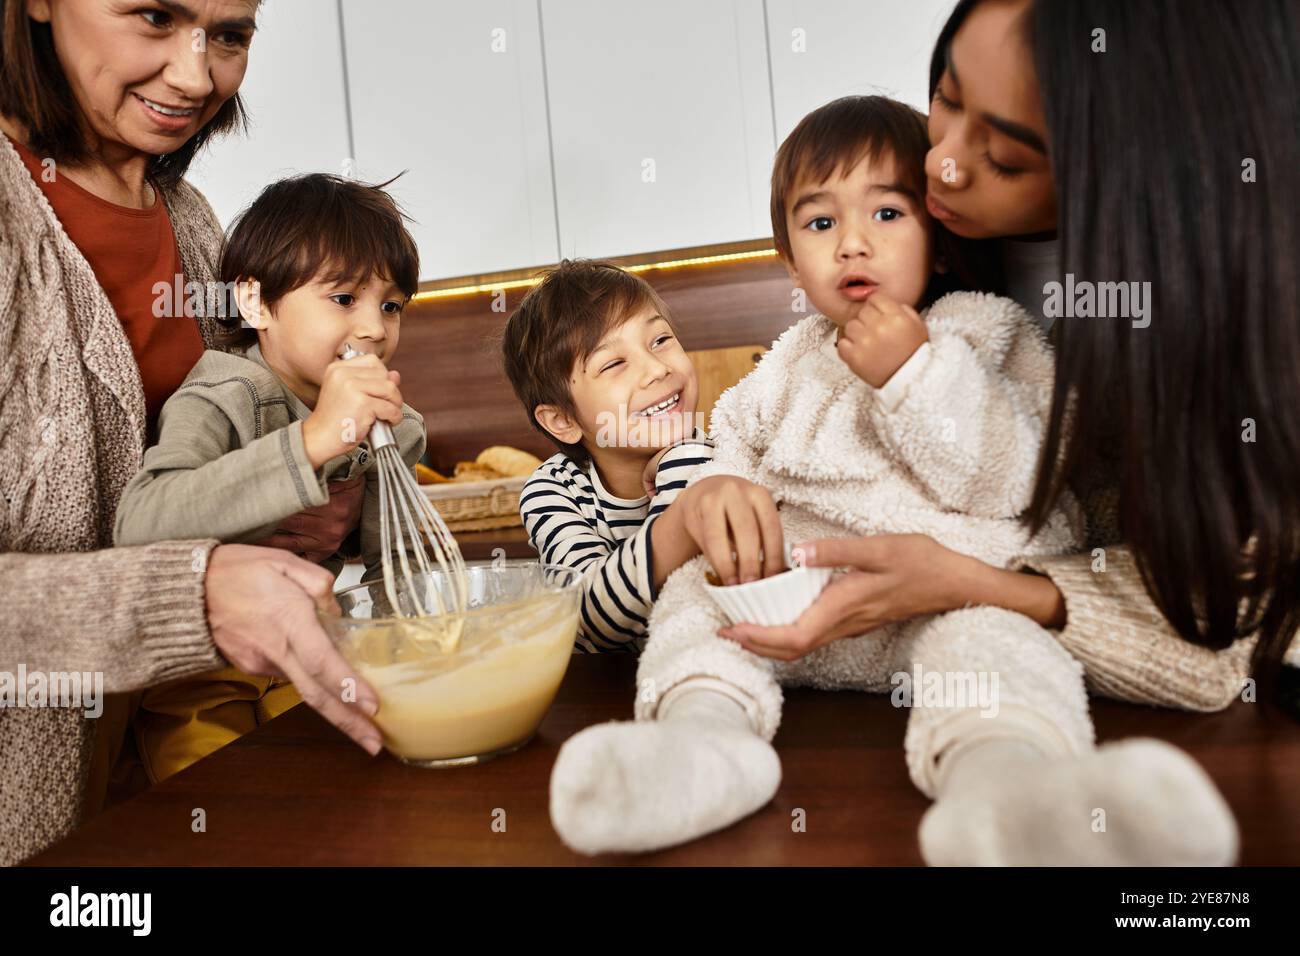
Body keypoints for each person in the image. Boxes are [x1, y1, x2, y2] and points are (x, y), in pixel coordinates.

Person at [547, 94, 1238, 865]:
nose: (851, 246)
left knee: (998, 644)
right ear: (791, 261)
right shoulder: (781, 366)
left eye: (885, 215)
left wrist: (916, 376)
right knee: (692, 600)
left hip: (948, 598)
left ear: (938, 243)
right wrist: (715, 500)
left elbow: (1019, 485)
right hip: (799, 611)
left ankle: (1003, 786)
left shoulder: (988, 334)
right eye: (819, 224)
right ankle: (702, 742)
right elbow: (731, 465)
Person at [719, 0, 1300, 720]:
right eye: (946, 97)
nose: (943, 164)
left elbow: (1221, 633)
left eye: (1007, 157)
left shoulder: (1220, 332)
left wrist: (975, 582)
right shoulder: (915, 267)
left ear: (1137, 173)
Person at [0, 0, 381, 866]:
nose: (195, 74)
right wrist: (190, 593)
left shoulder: (193, 219)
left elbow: (221, 466)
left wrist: (322, 497)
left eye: (232, 35)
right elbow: (179, 564)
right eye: (153, 15)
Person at [113, 173, 425, 781]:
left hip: (307, 655)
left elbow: (397, 564)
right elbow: (140, 525)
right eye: (344, 299)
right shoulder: (221, 397)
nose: (373, 329)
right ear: (255, 302)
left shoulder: (395, 426)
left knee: (337, 783)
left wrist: (425, 653)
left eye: (390, 305)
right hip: (200, 672)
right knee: (225, 805)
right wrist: (313, 439)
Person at [502, 259, 780, 652]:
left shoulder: (729, 457)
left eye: (660, 340)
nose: (656, 369)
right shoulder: (554, 491)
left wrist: (683, 457)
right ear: (563, 420)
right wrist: (683, 517)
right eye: (614, 363)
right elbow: (590, 617)